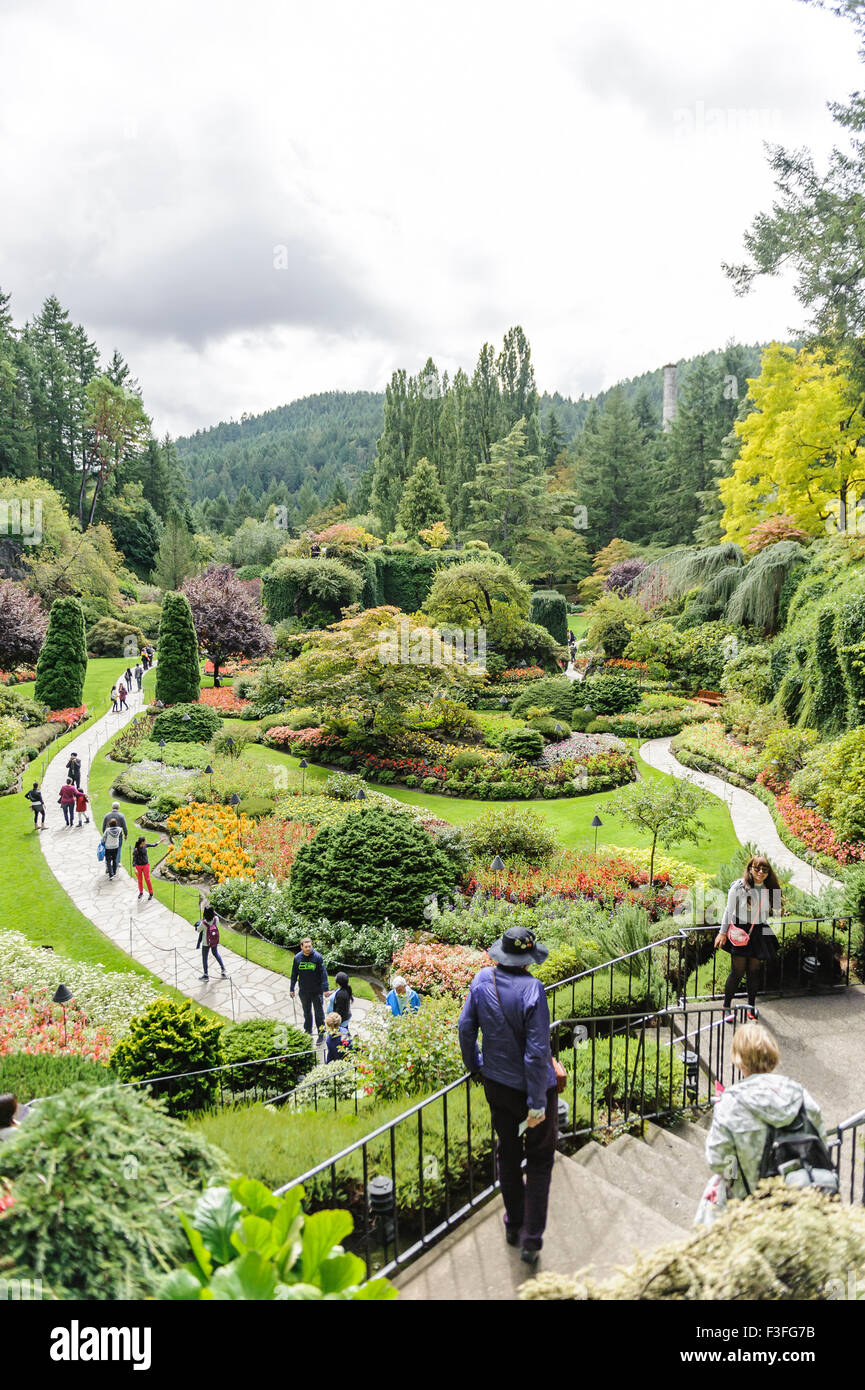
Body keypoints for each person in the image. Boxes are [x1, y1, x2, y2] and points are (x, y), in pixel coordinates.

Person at [459, 925, 559, 1267]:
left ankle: (513, 1224)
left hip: (497, 1086)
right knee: (541, 1159)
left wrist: (475, 1066)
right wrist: (536, 1103)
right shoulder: (533, 989)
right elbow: (535, 1053)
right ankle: (531, 1239)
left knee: (509, 1152)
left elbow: (465, 1027)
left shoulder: (481, 980)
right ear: (527, 959)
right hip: (532, 1091)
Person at [705, 1022, 828, 1202]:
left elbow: (718, 1159)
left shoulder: (730, 1102)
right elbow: (821, 1144)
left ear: (738, 1058)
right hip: (799, 1195)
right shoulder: (799, 1094)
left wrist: (732, 1175)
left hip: (749, 1201)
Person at [715, 856, 781, 1022]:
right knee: (737, 972)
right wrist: (722, 932)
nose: (760, 873)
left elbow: (774, 912)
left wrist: (768, 939)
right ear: (750, 868)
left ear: (768, 872)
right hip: (740, 930)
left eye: (764, 870)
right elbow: (728, 911)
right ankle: (726, 1006)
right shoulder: (739, 886)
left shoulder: (771, 888)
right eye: (757, 868)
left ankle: (751, 1006)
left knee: (754, 972)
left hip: (759, 931)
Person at [290, 936, 329, 1040]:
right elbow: (294, 974)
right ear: (301, 947)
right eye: (306, 947)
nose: (308, 948)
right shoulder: (297, 958)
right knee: (306, 1012)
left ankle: (321, 1034)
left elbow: (323, 974)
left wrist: (325, 989)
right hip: (304, 992)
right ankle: (308, 1031)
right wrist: (291, 988)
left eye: (310, 946)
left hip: (317, 992)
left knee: (319, 1014)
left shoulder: (318, 957)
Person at [196, 906, 228, 979]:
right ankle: (223, 968)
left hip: (206, 942)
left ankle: (206, 975)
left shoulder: (203, 923)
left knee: (205, 958)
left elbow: (198, 930)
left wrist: (198, 924)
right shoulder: (216, 919)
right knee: (216, 954)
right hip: (214, 940)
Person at [102, 802, 127, 873]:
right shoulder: (121, 816)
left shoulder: (107, 815)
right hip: (118, 836)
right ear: (118, 808)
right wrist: (126, 834)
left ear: (112, 807)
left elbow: (103, 827)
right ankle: (117, 863)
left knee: (108, 852)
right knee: (118, 849)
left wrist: (105, 835)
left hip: (108, 836)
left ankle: (108, 866)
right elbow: (124, 826)